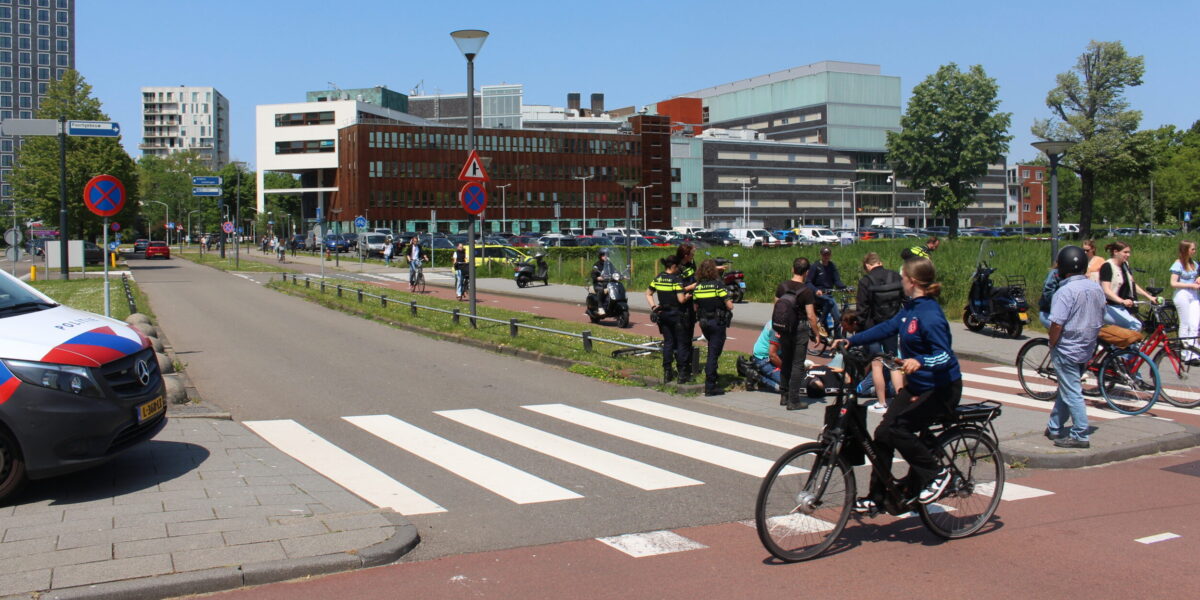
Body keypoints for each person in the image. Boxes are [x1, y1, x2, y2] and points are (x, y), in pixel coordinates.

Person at [835, 256, 962, 510]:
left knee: (898, 430)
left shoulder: (930, 314)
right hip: (919, 385)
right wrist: (853, 340)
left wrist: (921, 361)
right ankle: (878, 496)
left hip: (940, 388)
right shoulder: (911, 308)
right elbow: (887, 327)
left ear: (912, 281)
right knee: (883, 433)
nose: (901, 282)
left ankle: (937, 474)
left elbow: (945, 355)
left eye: (903, 278)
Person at [1044, 245, 1106, 449]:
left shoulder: (1065, 291)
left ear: (1063, 267)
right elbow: (1101, 315)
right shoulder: (1095, 288)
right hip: (1086, 346)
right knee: (1067, 387)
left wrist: (1052, 342)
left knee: (1073, 392)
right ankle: (1054, 427)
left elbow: (1057, 323)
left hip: (1067, 347)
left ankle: (1080, 434)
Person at [856, 252, 905, 412]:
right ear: (880, 262)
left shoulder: (865, 281)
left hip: (874, 328)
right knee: (893, 363)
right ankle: (898, 401)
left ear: (868, 266)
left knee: (877, 364)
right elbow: (905, 299)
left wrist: (861, 331)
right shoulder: (895, 276)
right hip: (893, 324)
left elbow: (861, 310)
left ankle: (882, 402)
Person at [774, 257, 820, 410]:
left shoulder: (782, 286)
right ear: (806, 273)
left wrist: (777, 328)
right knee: (797, 364)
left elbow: (776, 307)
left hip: (784, 328)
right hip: (799, 328)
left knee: (785, 360)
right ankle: (794, 400)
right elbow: (811, 316)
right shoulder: (806, 291)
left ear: (792, 269)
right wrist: (817, 334)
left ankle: (784, 395)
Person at [646, 255, 691, 383]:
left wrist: (654, 306)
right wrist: (687, 296)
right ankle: (682, 374)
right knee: (681, 343)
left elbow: (648, 293)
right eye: (678, 267)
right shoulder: (676, 280)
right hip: (676, 314)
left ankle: (667, 372)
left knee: (668, 343)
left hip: (663, 314)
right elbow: (681, 299)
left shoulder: (658, 277)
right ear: (674, 266)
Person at [694, 259, 734, 396]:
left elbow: (695, 306)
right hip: (717, 322)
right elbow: (730, 306)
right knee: (713, 353)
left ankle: (713, 377)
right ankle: (710, 386)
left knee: (712, 349)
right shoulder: (718, 286)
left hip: (704, 322)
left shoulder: (698, 287)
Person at [1098, 240, 1160, 330]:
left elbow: (1133, 284)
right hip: (1108, 307)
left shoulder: (1125, 265)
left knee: (1129, 331)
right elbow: (1106, 290)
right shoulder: (1107, 266)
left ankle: (1118, 344)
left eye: (1129, 252)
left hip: (1121, 307)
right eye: (1125, 252)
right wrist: (1122, 301)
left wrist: (1149, 297)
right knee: (1136, 325)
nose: (1128, 255)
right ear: (1116, 252)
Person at [1169, 240, 1200, 365]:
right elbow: (1173, 283)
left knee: (1194, 324)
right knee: (1185, 323)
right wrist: (1191, 285)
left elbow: (1197, 275)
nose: (1194, 251)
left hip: (1194, 295)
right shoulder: (1178, 264)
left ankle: (1193, 354)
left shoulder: (1194, 264)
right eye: (1192, 249)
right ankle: (1184, 353)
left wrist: (1198, 278)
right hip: (1182, 293)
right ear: (1185, 250)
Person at [809, 247, 847, 334]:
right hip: (818, 295)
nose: (826, 256)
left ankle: (837, 339)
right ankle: (821, 323)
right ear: (821, 255)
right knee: (829, 301)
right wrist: (816, 290)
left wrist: (845, 287)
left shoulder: (832, 266)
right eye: (824, 254)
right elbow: (808, 282)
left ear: (830, 255)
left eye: (828, 254)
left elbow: (837, 281)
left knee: (838, 318)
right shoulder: (815, 266)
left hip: (828, 294)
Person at [675, 243, 700, 372]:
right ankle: (682, 368)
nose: (693, 256)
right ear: (685, 255)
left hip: (690, 304)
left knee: (689, 335)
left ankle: (688, 363)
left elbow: (695, 276)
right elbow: (678, 289)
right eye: (692, 254)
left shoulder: (691, 264)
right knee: (681, 338)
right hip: (681, 305)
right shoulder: (677, 268)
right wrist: (692, 287)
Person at [751, 322, 783, 393]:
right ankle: (757, 377)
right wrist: (786, 370)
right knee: (787, 385)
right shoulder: (778, 327)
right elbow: (772, 355)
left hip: (777, 355)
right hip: (764, 359)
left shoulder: (781, 320)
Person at [591, 248, 617, 314]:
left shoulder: (609, 264)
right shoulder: (596, 265)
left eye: (606, 255)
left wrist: (621, 275)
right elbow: (593, 274)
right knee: (600, 290)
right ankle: (600, 307)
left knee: (617, 288)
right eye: (603, 255)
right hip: (599, 284)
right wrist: (597, 278)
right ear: (600, 256)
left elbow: (615, 271)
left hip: (608, 283)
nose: (605, 256)